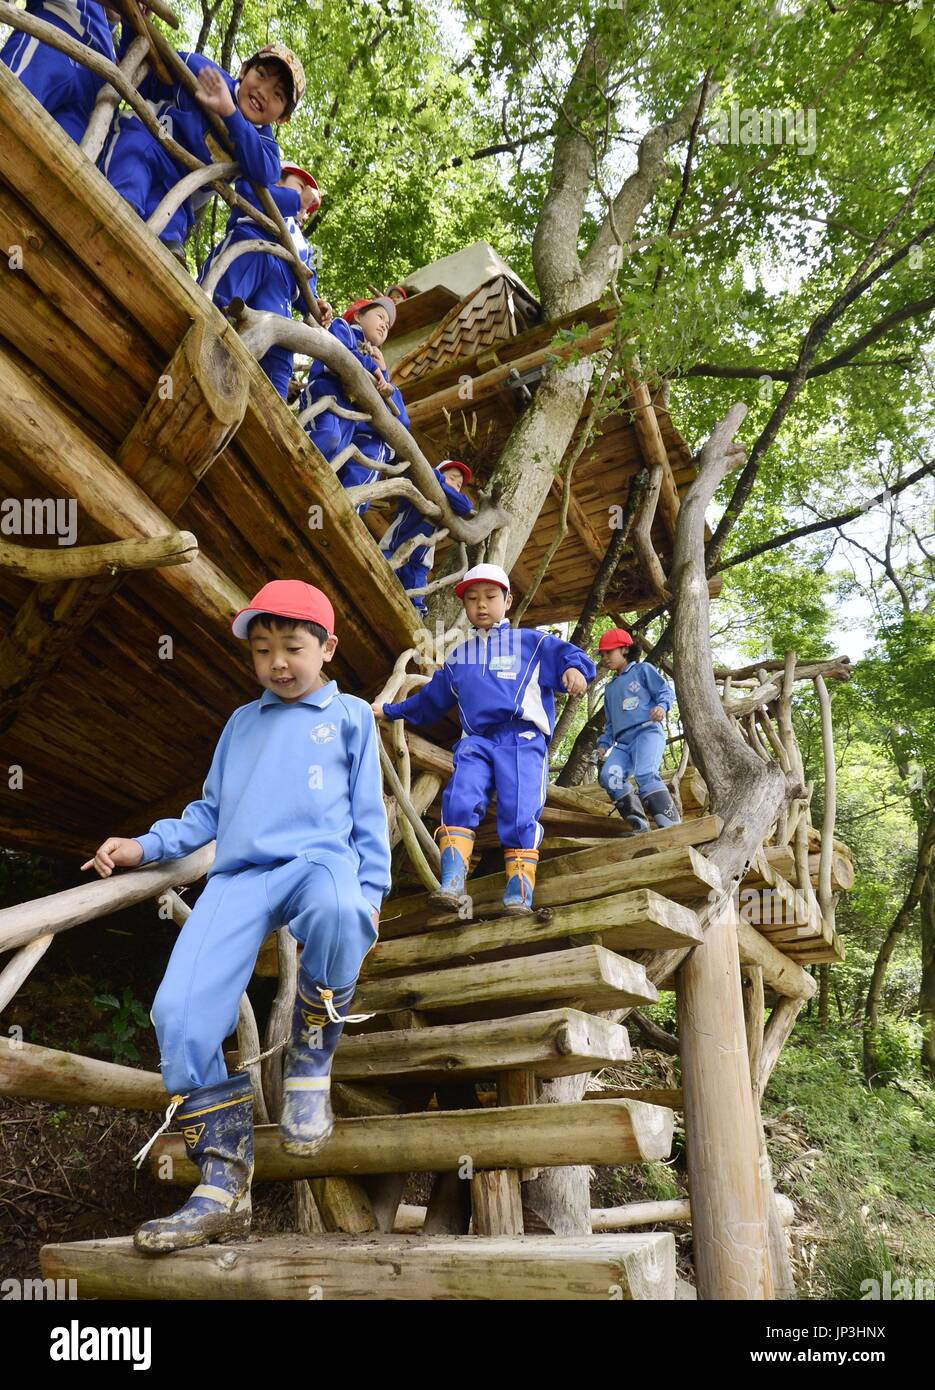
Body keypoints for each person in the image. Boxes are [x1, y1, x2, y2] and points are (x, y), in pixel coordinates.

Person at [81, 580, 390, 1254]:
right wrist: (143, 846)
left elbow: (371, 821)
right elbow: (208, 816)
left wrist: (371, 895)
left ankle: (311, 1056)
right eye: (262, 649)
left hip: (319, 861)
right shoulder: (241, 724)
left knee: (341, 910)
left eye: (293, 647)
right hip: (239, 875)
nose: (278, 661)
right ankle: (224, 1188)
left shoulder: (351, 717)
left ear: (327, 648)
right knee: (180, 1015)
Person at [373, 564, 595, 915]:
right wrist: (390, 710)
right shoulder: (459, 656)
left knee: (520, 807)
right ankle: (452, 880)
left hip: (521, 738)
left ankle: (519, 888)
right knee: (459, 797)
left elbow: (570, 656)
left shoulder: (531, 642)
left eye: (490, 597)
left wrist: (575, 671)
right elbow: (430, 701)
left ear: (507, 600)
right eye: (472, 599)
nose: (481, 605)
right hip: (475, 740)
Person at [100, 41, 304, 260]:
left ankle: (165, 259)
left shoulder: (264, 143)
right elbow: (151, 63)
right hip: (152, 142)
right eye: (262, 74)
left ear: (283, 118)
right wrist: (130, 36)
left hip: (183, 189)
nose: (264, 92)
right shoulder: (208, 75)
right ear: (244, 70)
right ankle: (118, 207)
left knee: (174, 222)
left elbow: (266, 172)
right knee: (133, 169)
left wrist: (230, 114)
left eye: (278, 95)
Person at [199, 163, 332, 398]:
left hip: (279, 295)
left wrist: (317, 304)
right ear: (279, 180)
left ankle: (273, 404)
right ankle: (206, 328)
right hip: (250, 253)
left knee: (281, 351)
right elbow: (248, 194)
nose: (305, 206)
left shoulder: (304, 246)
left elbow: (307, 284)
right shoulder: (260, 191)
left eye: (309, 208)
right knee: (227, 294)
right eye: (300, 186)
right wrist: (296, 199)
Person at [298, 296, 409, 513]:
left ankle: (329, 500)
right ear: (358, 315)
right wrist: (374, 368)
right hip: (326, 397)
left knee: (341, 449)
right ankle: (297, 466)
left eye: (387, 326)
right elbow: (344, 352)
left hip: (348, 417)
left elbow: (402, 420)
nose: (384, 325)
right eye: (380, 317)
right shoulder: (343, 327)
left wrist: (384, 377)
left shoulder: (381, 375)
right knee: (329, 435)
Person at [594, 628, 680, 832]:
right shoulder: (610, 688)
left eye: (609, 652)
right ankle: (639, 826)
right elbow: (610, 725)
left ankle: (671, 827)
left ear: (624, 649)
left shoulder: (643, 670)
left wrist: (662, 706)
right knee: (608, 777)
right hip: (622, 743)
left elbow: (664, 692)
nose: (605, 658)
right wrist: (602, 746)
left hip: (647, 732)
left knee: (645, 774)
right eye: (603, 654)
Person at [0, 0, 118, 144]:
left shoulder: (109, 35)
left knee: (59, 160)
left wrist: (117, 16)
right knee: (10, 104)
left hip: (92, 90)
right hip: (54, 35)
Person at [379, 459, 474, 615]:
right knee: (377, 578)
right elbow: (430, 474)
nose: (454, 485)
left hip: (418, 567)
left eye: (458, 485)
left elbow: (466, 506)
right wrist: (441, 482)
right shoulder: (414, 491)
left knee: (414, 608)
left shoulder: (447, 511)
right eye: (451, 477)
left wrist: (443, 487)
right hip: (391, 551)